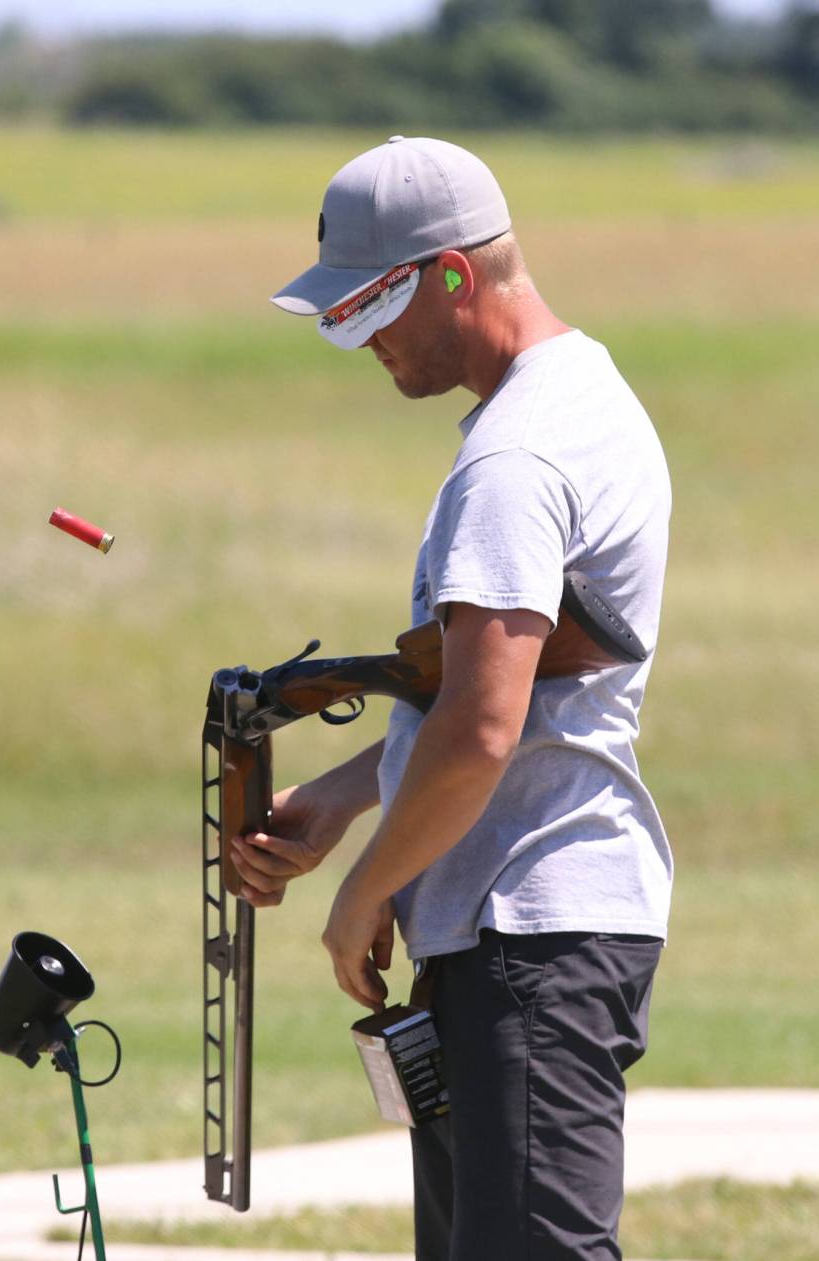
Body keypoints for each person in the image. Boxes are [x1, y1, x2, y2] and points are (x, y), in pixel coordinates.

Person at [229, 135, 672, 1261]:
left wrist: (364, 891)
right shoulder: (583, 396)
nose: (359, 341)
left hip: (528, 926)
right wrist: (346, 793)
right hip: (535, 921)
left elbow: (478, 734)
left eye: (369, 308)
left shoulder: (512, 461)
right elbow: (502, 698)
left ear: (457, 276)